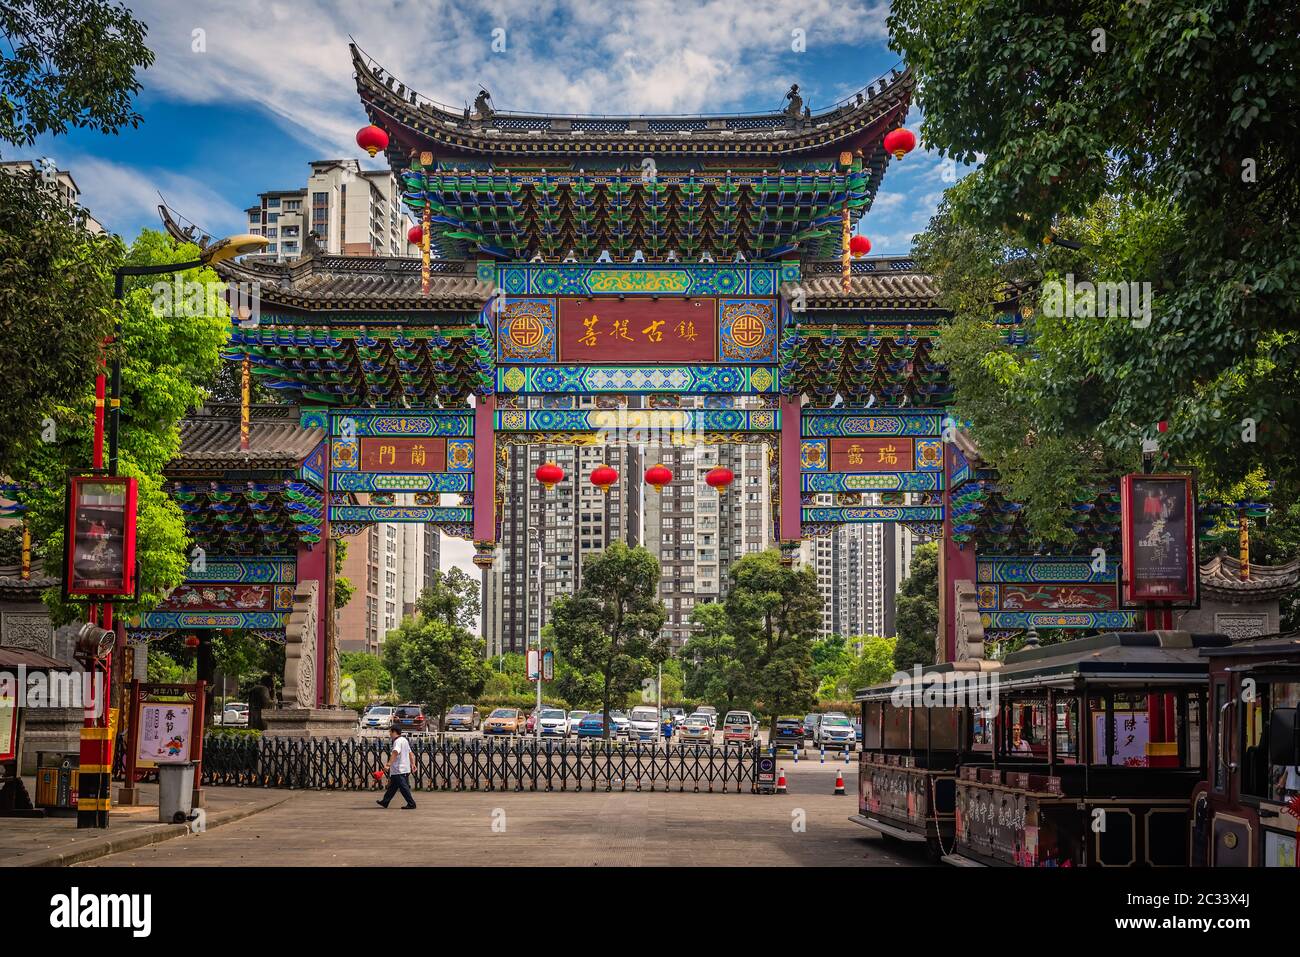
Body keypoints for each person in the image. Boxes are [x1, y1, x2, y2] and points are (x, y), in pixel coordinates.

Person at [377, 726, 417, 809]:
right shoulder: (404, 740)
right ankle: (385, 801)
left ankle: (411, 803)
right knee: (393, 787)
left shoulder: (397, 741)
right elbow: (410, 753)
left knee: (403, 787)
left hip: (399, 769)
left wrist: (388, 764)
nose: (390, 734)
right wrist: (413, 764)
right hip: (402, 768)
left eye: (390, 732)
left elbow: (395, 753)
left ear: (394, 732)